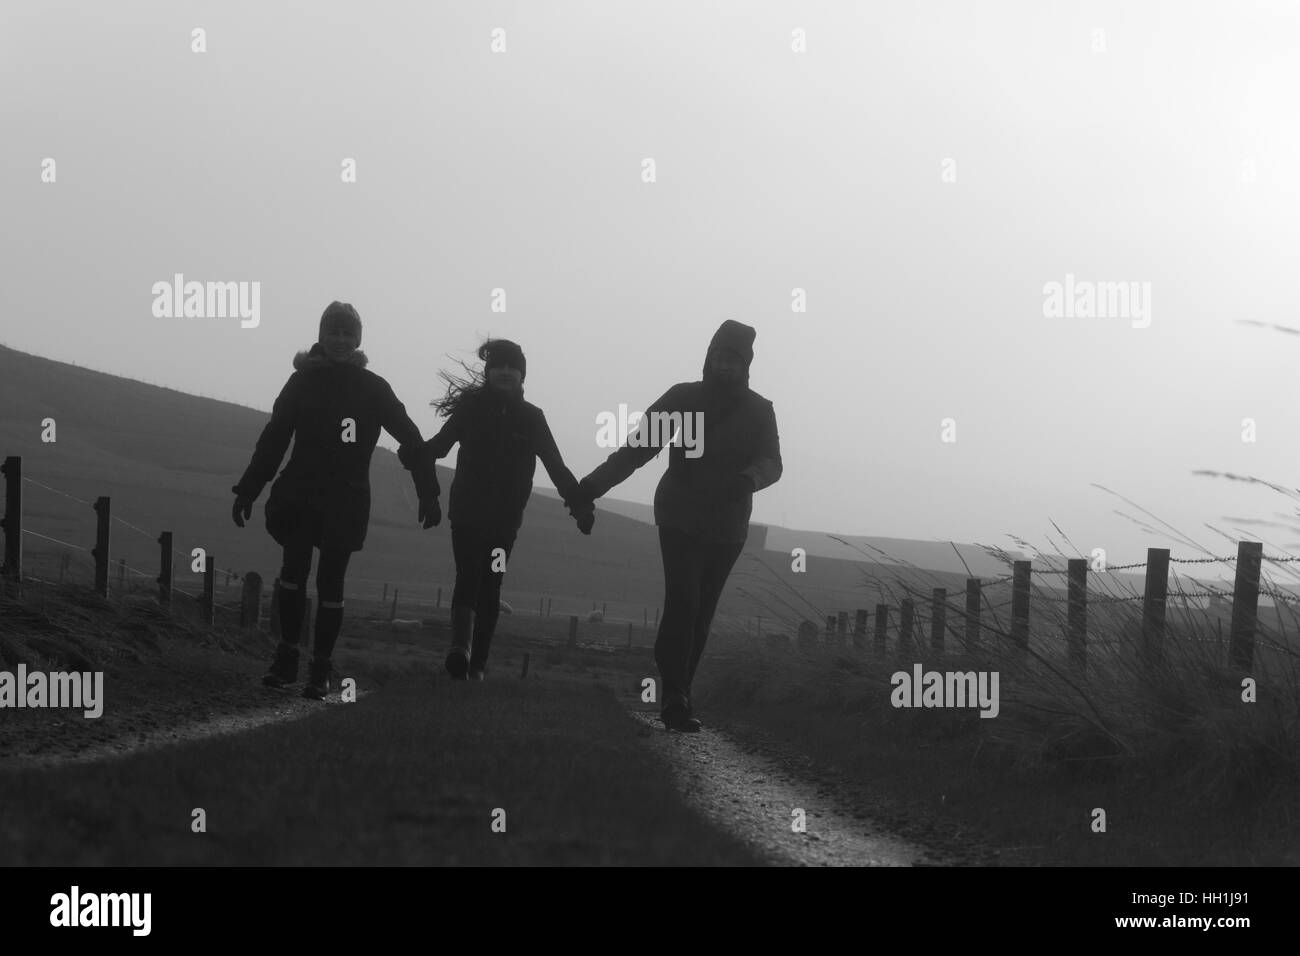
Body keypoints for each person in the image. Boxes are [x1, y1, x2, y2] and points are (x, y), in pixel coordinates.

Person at [575, 320, 781, 731]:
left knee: (702, 611)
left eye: (733, 360)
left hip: (728, 525)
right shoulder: (682, 398)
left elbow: (773, 463)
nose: (724, 366)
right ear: (708, 357)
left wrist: (748, 479)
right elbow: (638, 449)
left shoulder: (760, 410)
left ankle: (681, 691)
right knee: (684, 600)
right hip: (679, 515)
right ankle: (673, 695)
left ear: (746, 365)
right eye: (719, 357)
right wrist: (593, 486)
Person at [231, 301, 439, 699]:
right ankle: (287, 657)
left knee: (330, 582)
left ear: (357, 340)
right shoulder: (301, 384)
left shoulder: (374, 388)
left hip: (345, 499)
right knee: (292, 572)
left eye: (347, 334)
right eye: (333, 332)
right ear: (321, 336)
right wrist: (248, 489)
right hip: (300, 493)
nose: (340, 340)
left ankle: (320, 668)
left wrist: (428, 492)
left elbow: (411, 439)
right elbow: (274, 439)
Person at [420, 339, 595, 681]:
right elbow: (438, 447)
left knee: (492, 584)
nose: (505, 372)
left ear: (522, 375)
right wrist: (418, 463)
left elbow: (556, 467)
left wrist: (580, 507)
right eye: (498, 366)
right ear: (488, 372)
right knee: (468, 577)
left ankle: (478, 665)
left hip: (505, 524)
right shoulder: (470, 408)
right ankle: (461, 651)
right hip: (466, 516)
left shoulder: (532, 419)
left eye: (512, 367)